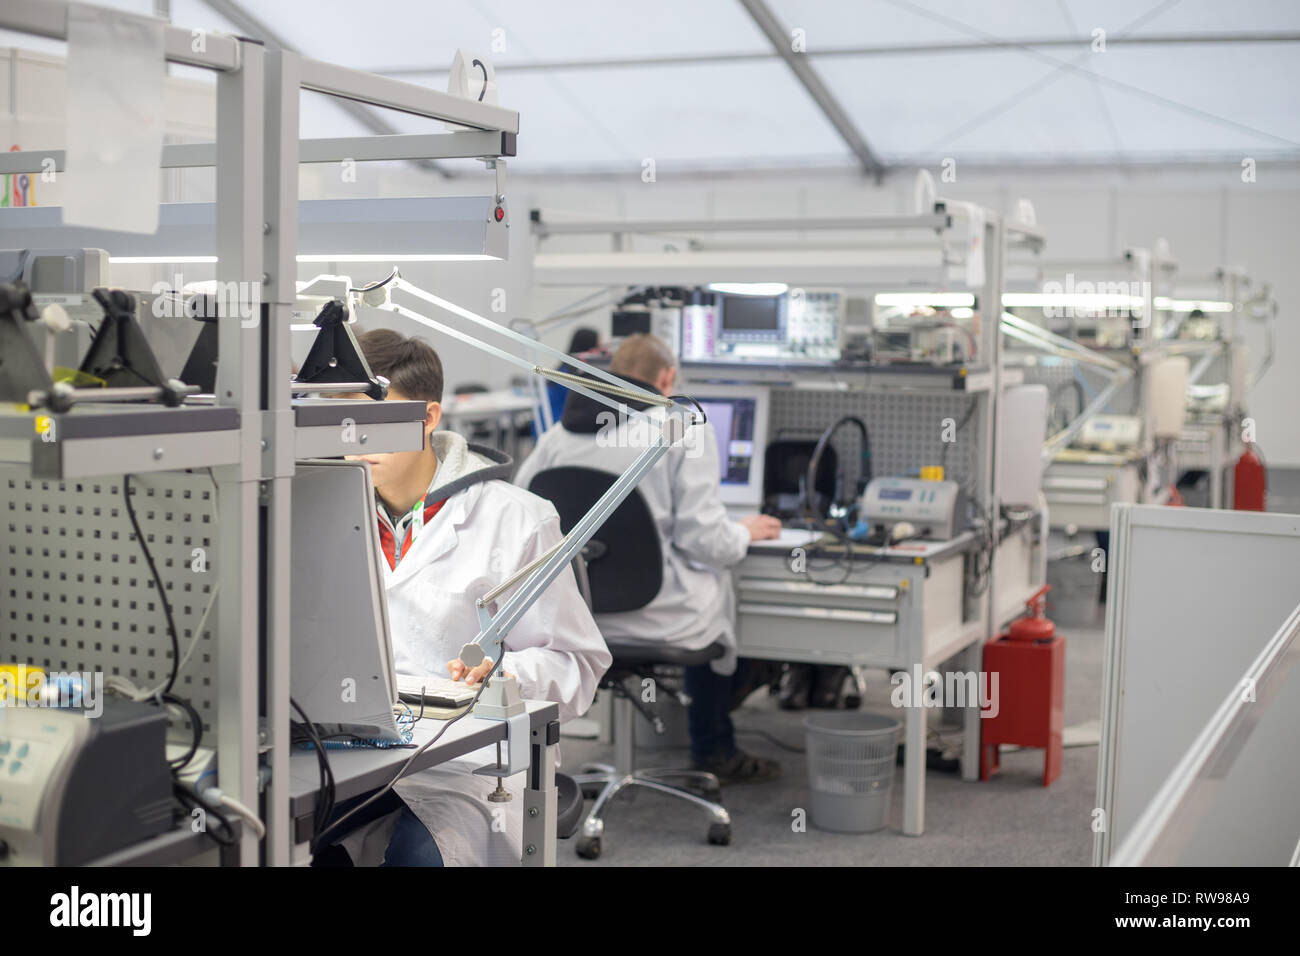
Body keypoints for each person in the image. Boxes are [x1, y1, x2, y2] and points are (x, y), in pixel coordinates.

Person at [325, 328, 611, 866]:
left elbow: (576, 663)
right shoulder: (315, 509)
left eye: (374, 422)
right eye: (343, 425)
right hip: (343, 754)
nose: (355, 443)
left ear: (428, 417)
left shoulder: (515, 518)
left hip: (467, 763)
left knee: (423, 859)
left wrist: (505, 679)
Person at [514, 334, 783, 783]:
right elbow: (704, 541)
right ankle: (713, 746)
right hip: (659, 617)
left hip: (577, 619)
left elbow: (523, 518)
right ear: (667, 378)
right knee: (719, 588)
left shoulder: (556, 437)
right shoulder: (682, 427)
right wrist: (742, 531)